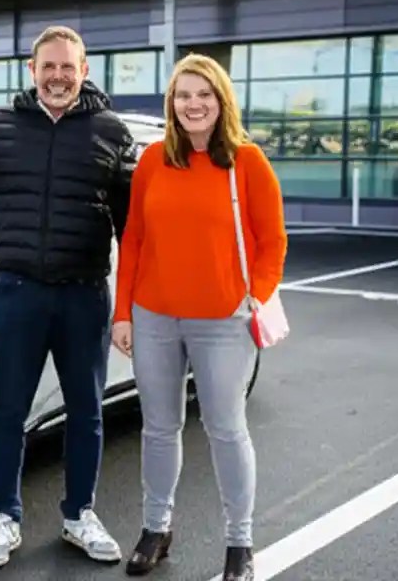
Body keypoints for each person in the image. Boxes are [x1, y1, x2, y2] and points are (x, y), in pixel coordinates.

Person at [0, 25, 137, 569]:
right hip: (16, 290)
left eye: (68, 67)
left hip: (84, 294)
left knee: (86, 411)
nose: (58, 76)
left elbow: (133, 227)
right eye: (49, 67)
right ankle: (5, 518)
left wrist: (135, 302)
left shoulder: (111, 132)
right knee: (11, 409)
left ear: (84, 71)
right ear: (31, 70)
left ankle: (79, 515)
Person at [110, 53, 286, 581]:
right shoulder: (152, 162)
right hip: (155, 317)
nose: (193, 104)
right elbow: (134, 241)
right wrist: (124, 314)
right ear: (172, 105)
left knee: (226, 430)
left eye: (203, 94)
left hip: (223, 322)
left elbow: (273, 242)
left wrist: (252, 297)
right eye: (183, 95)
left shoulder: (248, 162)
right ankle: (156, 529)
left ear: (220, 100)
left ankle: (240, 544)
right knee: (159, 428)